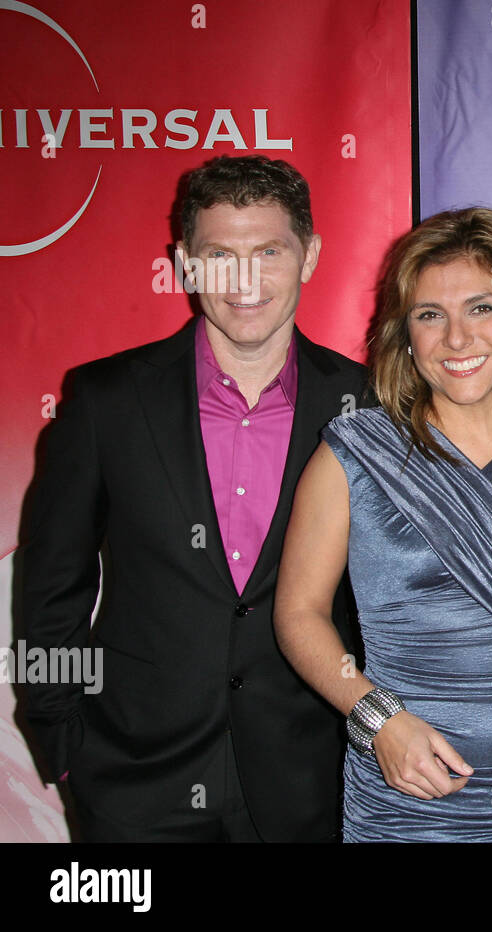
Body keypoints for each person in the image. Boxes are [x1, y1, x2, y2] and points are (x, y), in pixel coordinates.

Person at [17, 155, 369, 841]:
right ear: (184, 263)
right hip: (134, 783)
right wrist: (61, 742)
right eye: (218, 255)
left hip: (313, 782)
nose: (243, 280)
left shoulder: (369, 406)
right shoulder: (105, 402)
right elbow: (50, 586)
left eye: (268, 251)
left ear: (311, 255)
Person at [274, 207, 492, 842]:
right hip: (405, 805)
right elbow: (298, 613)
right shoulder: (355, 455)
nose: (457, 339)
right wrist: (374, 717)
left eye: (481, 308)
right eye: (430, 315)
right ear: (405, 334)